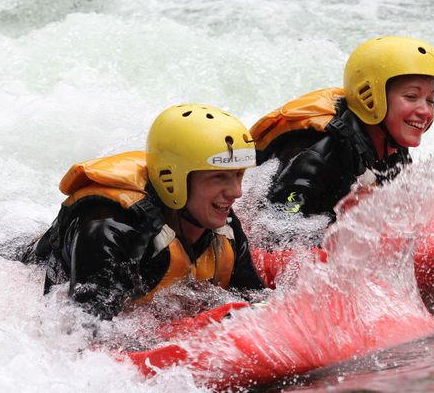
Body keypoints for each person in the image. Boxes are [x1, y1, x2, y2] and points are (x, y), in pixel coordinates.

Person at [24, 104, 265, 320]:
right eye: (219, 177)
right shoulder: (108, 230)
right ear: (173, 179)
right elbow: (86, 336)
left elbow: (255, 299)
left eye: (238, 175)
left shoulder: (225, 228)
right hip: (18, 271)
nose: (236, 192)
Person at [251, 36, 434, 219]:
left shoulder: (391, 144)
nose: (425, 111)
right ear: (371, 96)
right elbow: (275, 231)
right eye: (411, 97)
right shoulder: (320, 154)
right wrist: (345, 221)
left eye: (430, 100)